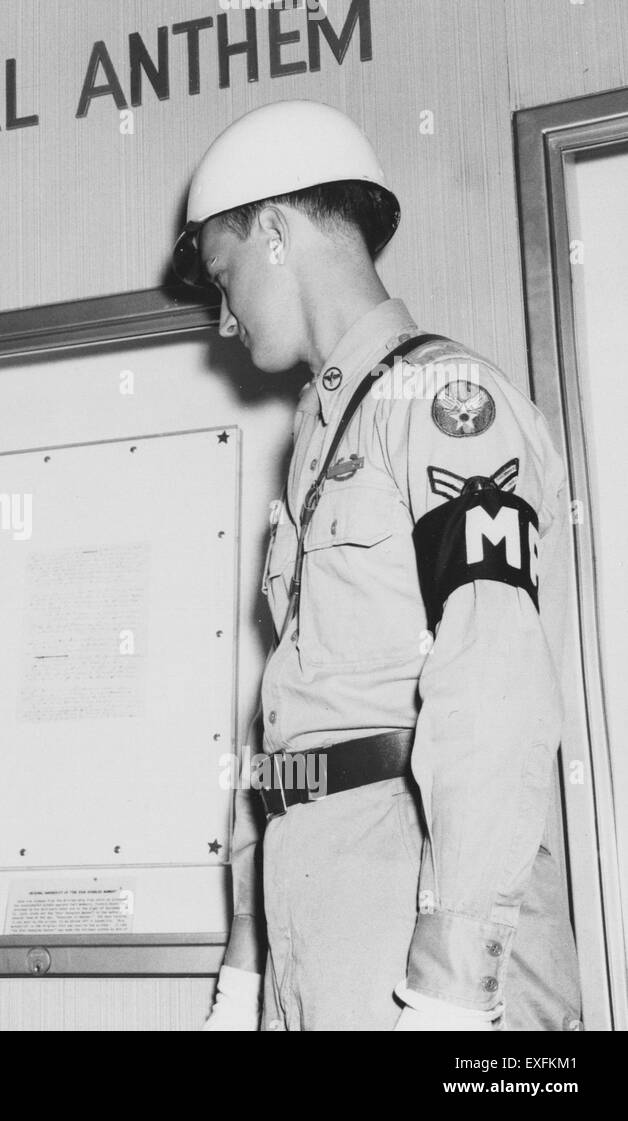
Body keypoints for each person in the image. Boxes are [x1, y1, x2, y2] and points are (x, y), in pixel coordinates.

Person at [173, 101, 582, 1031]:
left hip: (427, 928)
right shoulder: (324, 438)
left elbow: (494, 686)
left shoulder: (443, 401)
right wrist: (245, 969)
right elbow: (292, 728)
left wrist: (447, 986)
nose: (226, 320)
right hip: (324, 927)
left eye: (225, 277)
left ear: (274, 230)